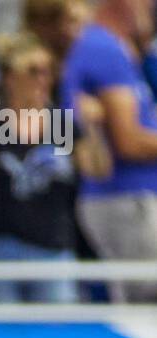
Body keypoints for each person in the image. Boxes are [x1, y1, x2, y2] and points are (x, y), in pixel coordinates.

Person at [0, 32, 111, 301]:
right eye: (33, 71)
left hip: (52, 246)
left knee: (58, 325)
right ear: (10, 77)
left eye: (48, 71)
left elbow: (97, 170)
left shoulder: (61, 123)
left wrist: (92, 127)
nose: (43, 79)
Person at [62, 0, 157, 300]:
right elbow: (128, 141)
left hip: (127, 199)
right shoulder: (103, 49)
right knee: (145, 304)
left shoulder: (115, 48)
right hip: (125, 198)